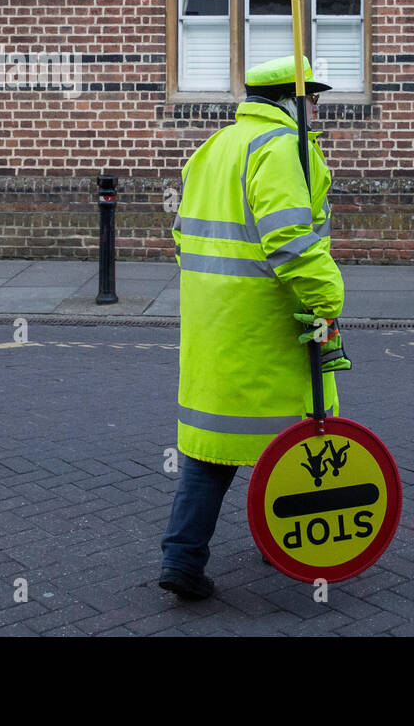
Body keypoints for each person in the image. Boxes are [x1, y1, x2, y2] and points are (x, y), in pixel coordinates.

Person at [159, 55, 351, 600]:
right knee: (299, 438)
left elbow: (180, 236)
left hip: (213, 325)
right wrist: (327, 299)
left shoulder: (215, 147)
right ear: (290, 100)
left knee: (211, 449)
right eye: (312, 98)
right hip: (271, 328)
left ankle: (182, 559)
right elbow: (291, 244)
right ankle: (288, 543)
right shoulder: (280, 152)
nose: (317, 109)